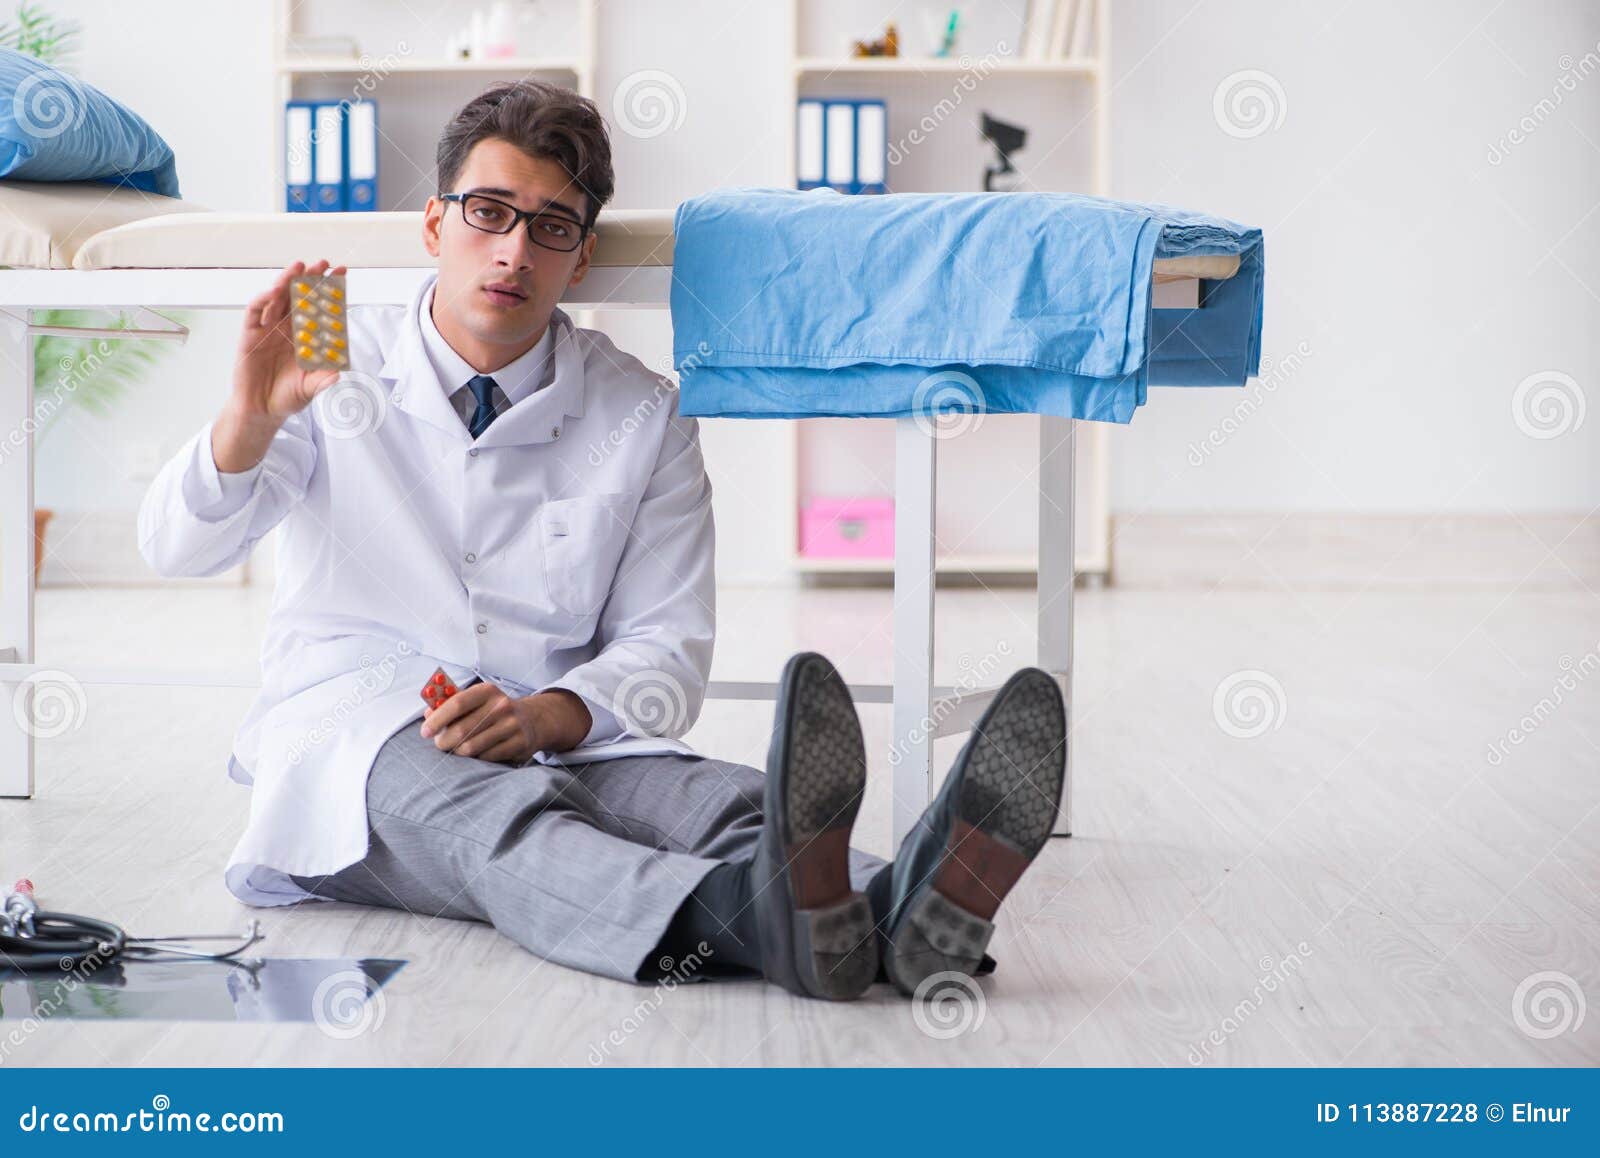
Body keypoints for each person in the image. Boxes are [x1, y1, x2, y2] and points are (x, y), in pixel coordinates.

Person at [138, 80, 1066, 1000]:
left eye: (551, 227)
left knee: (728, 803)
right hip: (362, 735)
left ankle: (903, 909)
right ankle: (784, 922)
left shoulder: (642, 410)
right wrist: (247, 419)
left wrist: (545, 716)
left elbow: (668, 647)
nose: (513, 251)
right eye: (488, 212)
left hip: (568, 732)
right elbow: (177, 551)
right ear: (434, 223)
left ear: (580, 257)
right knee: (502, 823)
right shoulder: (324, 361)